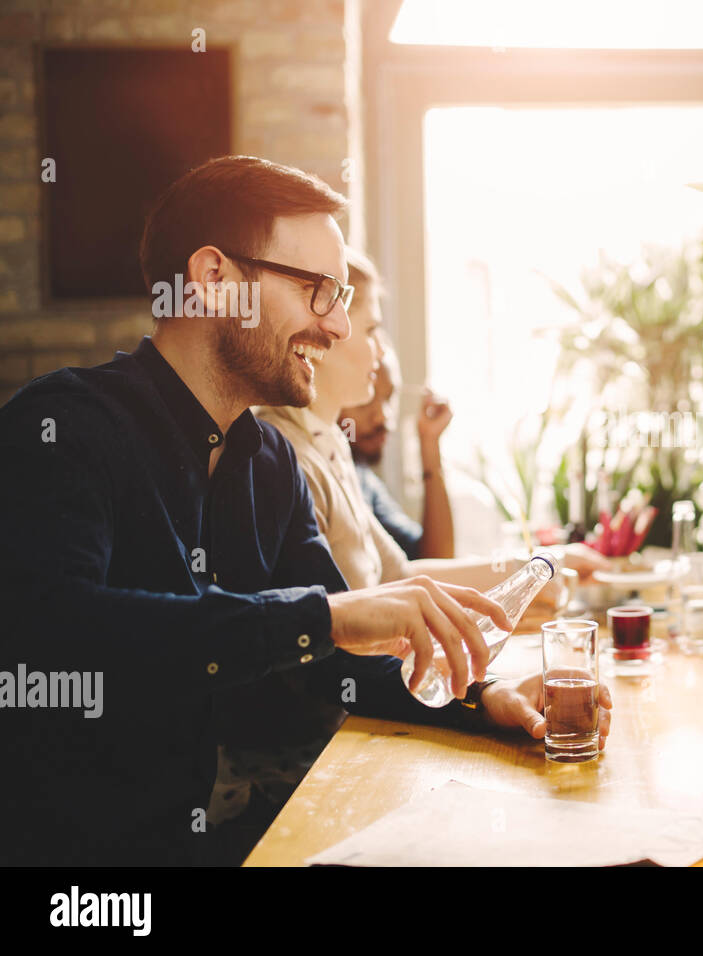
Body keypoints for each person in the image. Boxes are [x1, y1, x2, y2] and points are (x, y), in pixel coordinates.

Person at [0, 155, 610, 866]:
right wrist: (326, 616)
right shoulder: (63, 428)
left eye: (341, 297)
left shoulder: (267, 461)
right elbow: (58, 634)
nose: (341, 326)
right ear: (214, 279)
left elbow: (334, 659)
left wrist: (484, 695)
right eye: (318, 291)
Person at [212, 246, 609, 842]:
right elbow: (325, 653)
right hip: (314, 762)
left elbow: (399, 575)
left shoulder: (327, 445)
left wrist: (529, 573)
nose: (378, 350)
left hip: (365, 721)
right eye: (372, 329)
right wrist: (481, 684)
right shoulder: (275, 454)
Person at [340, 296, 454, 560]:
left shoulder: (361, 476)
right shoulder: (305, 464)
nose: (384, 418)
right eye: (367, 397)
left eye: (389, 397)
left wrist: (429, 445)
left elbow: (435, 558)